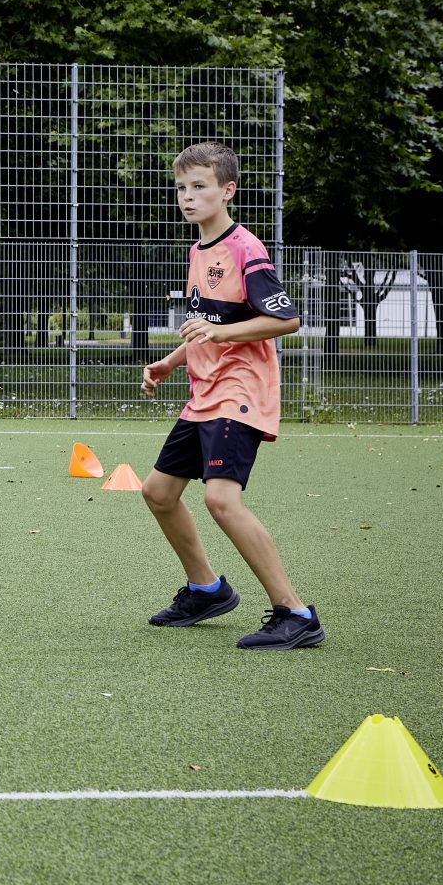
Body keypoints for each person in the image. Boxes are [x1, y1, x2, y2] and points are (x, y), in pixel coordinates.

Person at [139, 141, 318, 649]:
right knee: (158, 492)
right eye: (181, 189)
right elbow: (210, 325)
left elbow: (285, 319)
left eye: (200, 187)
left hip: (241, 390)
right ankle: (207, 589)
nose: (188, 198)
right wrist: (171, 363)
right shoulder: (197, 251)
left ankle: (296, 612)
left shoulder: (246, 250)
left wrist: (217, 337)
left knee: (220, 497)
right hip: (205, 392)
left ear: (227, 191)